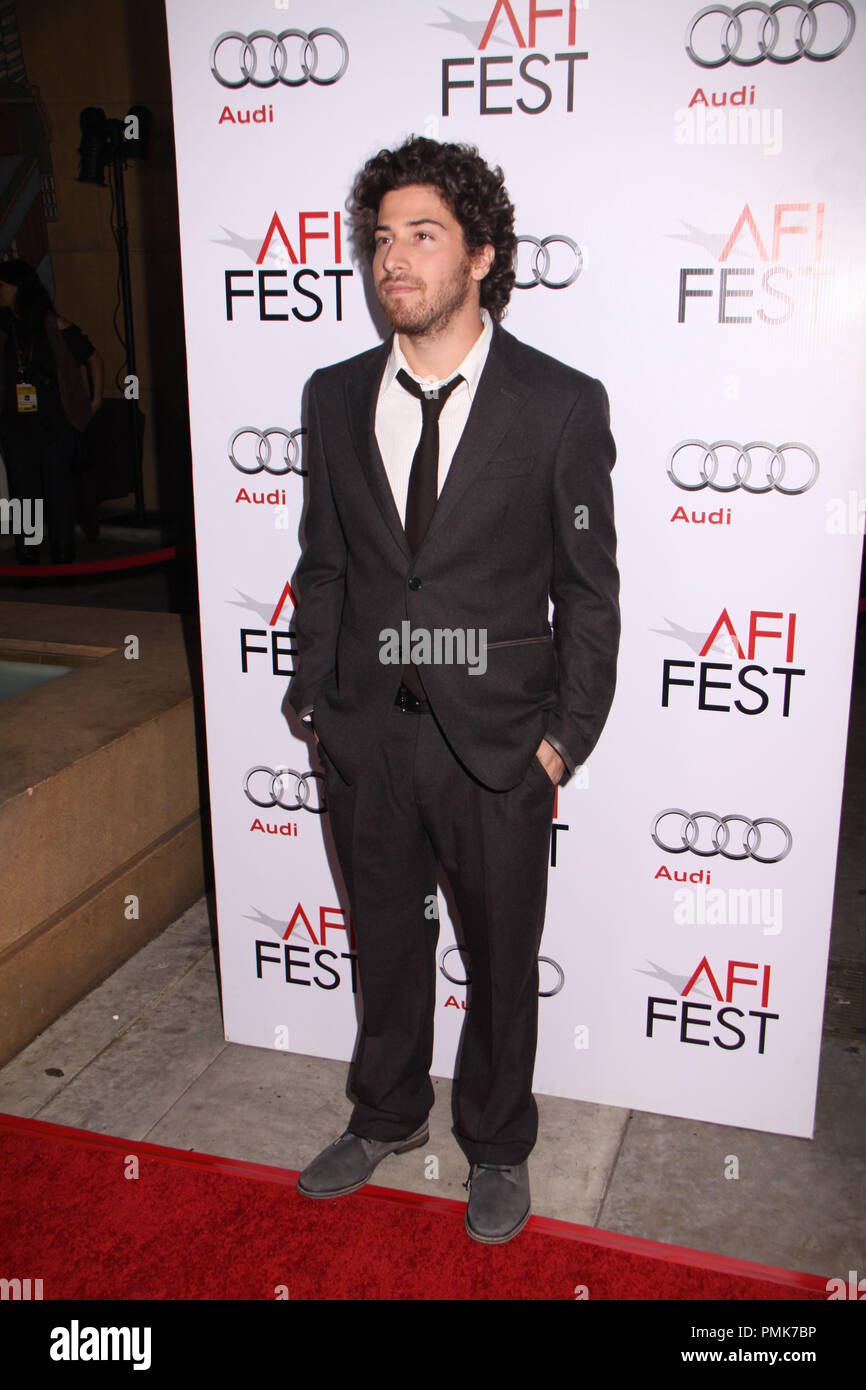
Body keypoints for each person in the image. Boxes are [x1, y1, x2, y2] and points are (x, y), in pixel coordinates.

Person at [288, 136, 620, 1243]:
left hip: (496, 747)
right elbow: (325, 563)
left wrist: (558, 744)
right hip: (367, 741)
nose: (393, 258)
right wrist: (315, 709)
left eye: (421, 234)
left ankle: (496, 1141)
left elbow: (588, 591)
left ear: (480, 254)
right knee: (382, 943)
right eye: (381, 237)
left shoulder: (557, 405)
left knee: (499, 960)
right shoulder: (333, 396)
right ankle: (382, 1111)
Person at [0, 258, 103, 564]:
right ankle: (28, 553)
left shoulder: (52, 323)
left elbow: (93, 358)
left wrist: (94, 401)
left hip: (55, 423)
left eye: (2, 285)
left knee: (58, 488)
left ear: (20, 288)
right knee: (23, 492)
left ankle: (62, 551)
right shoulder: (3, 326)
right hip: (14, 424)